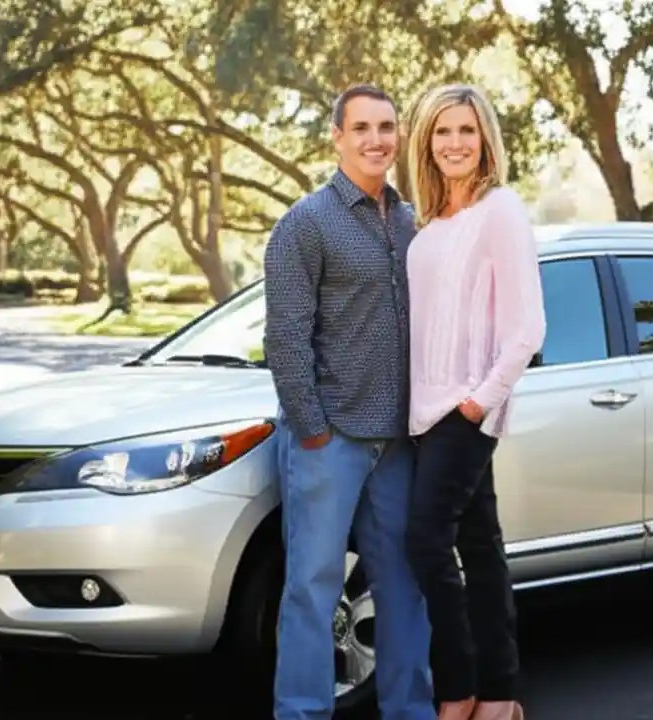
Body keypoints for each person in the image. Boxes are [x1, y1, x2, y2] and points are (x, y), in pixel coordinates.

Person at [263, 83, 435, 720]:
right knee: (312, 588)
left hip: (398, 443)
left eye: (386, 126)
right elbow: (284, 336)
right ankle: (302, 712)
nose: (375, 139)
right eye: (360, 127)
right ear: (336, 137)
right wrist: (310, 429)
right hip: (328, 440)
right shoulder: (304, 224)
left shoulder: (416, 222)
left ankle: (411, 709)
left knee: (404, 586)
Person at [403, 84, 546, 720]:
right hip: (423, 413)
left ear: (485, 137)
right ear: (426, 143)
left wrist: (476, 403)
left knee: (426, 542)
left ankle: (457, 694)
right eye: (442, 132)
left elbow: (527, 329)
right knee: (481, 548)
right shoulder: (430, 220)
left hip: (464, 410)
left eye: (465, 131)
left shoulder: (501, 210)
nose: (454, 144)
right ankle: (502, 696)